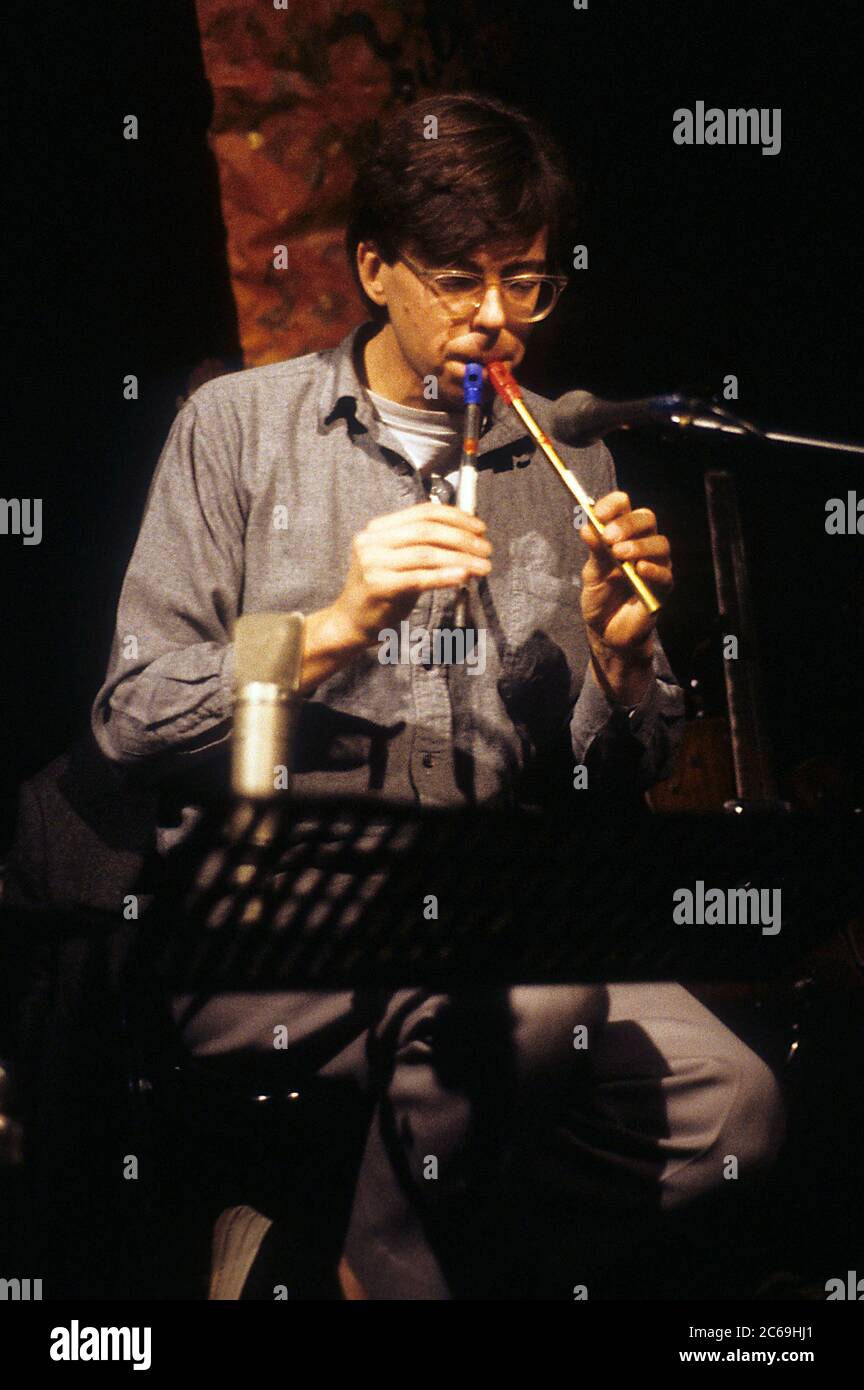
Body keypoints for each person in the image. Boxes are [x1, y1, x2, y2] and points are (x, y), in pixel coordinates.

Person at [91, 92, 786, 1298]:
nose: (498, 318)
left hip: (498, 908)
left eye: (527, 281)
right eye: (461, 280)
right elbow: (133, 711)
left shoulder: (567, 455)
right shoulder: (241, 430)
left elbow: (616, 768)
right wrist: (326, 630)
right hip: (281, 919)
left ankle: (320, 1260)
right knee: (533, 1001)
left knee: (736, 1110)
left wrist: (625, 672)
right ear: (375, 268)